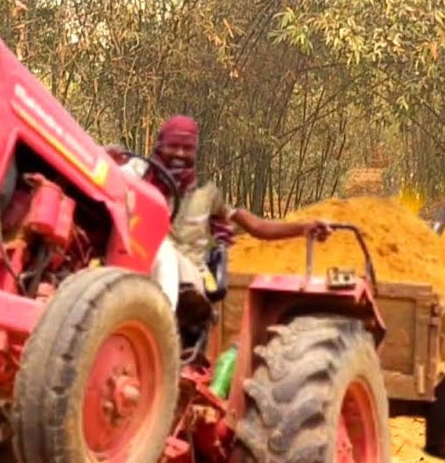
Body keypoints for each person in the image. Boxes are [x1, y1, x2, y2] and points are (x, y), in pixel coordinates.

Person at [110, 115, 331, 314]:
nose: (179, 154)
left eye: (187, 148)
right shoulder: (135, 171)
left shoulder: (206, 196)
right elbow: (100, 179)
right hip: (128, 255)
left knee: (162, 250)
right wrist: (106, 157)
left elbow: (257, 227)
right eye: (173, 146)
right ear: (160, 145)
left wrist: (303, 228)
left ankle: (160, 325)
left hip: (186, 271)